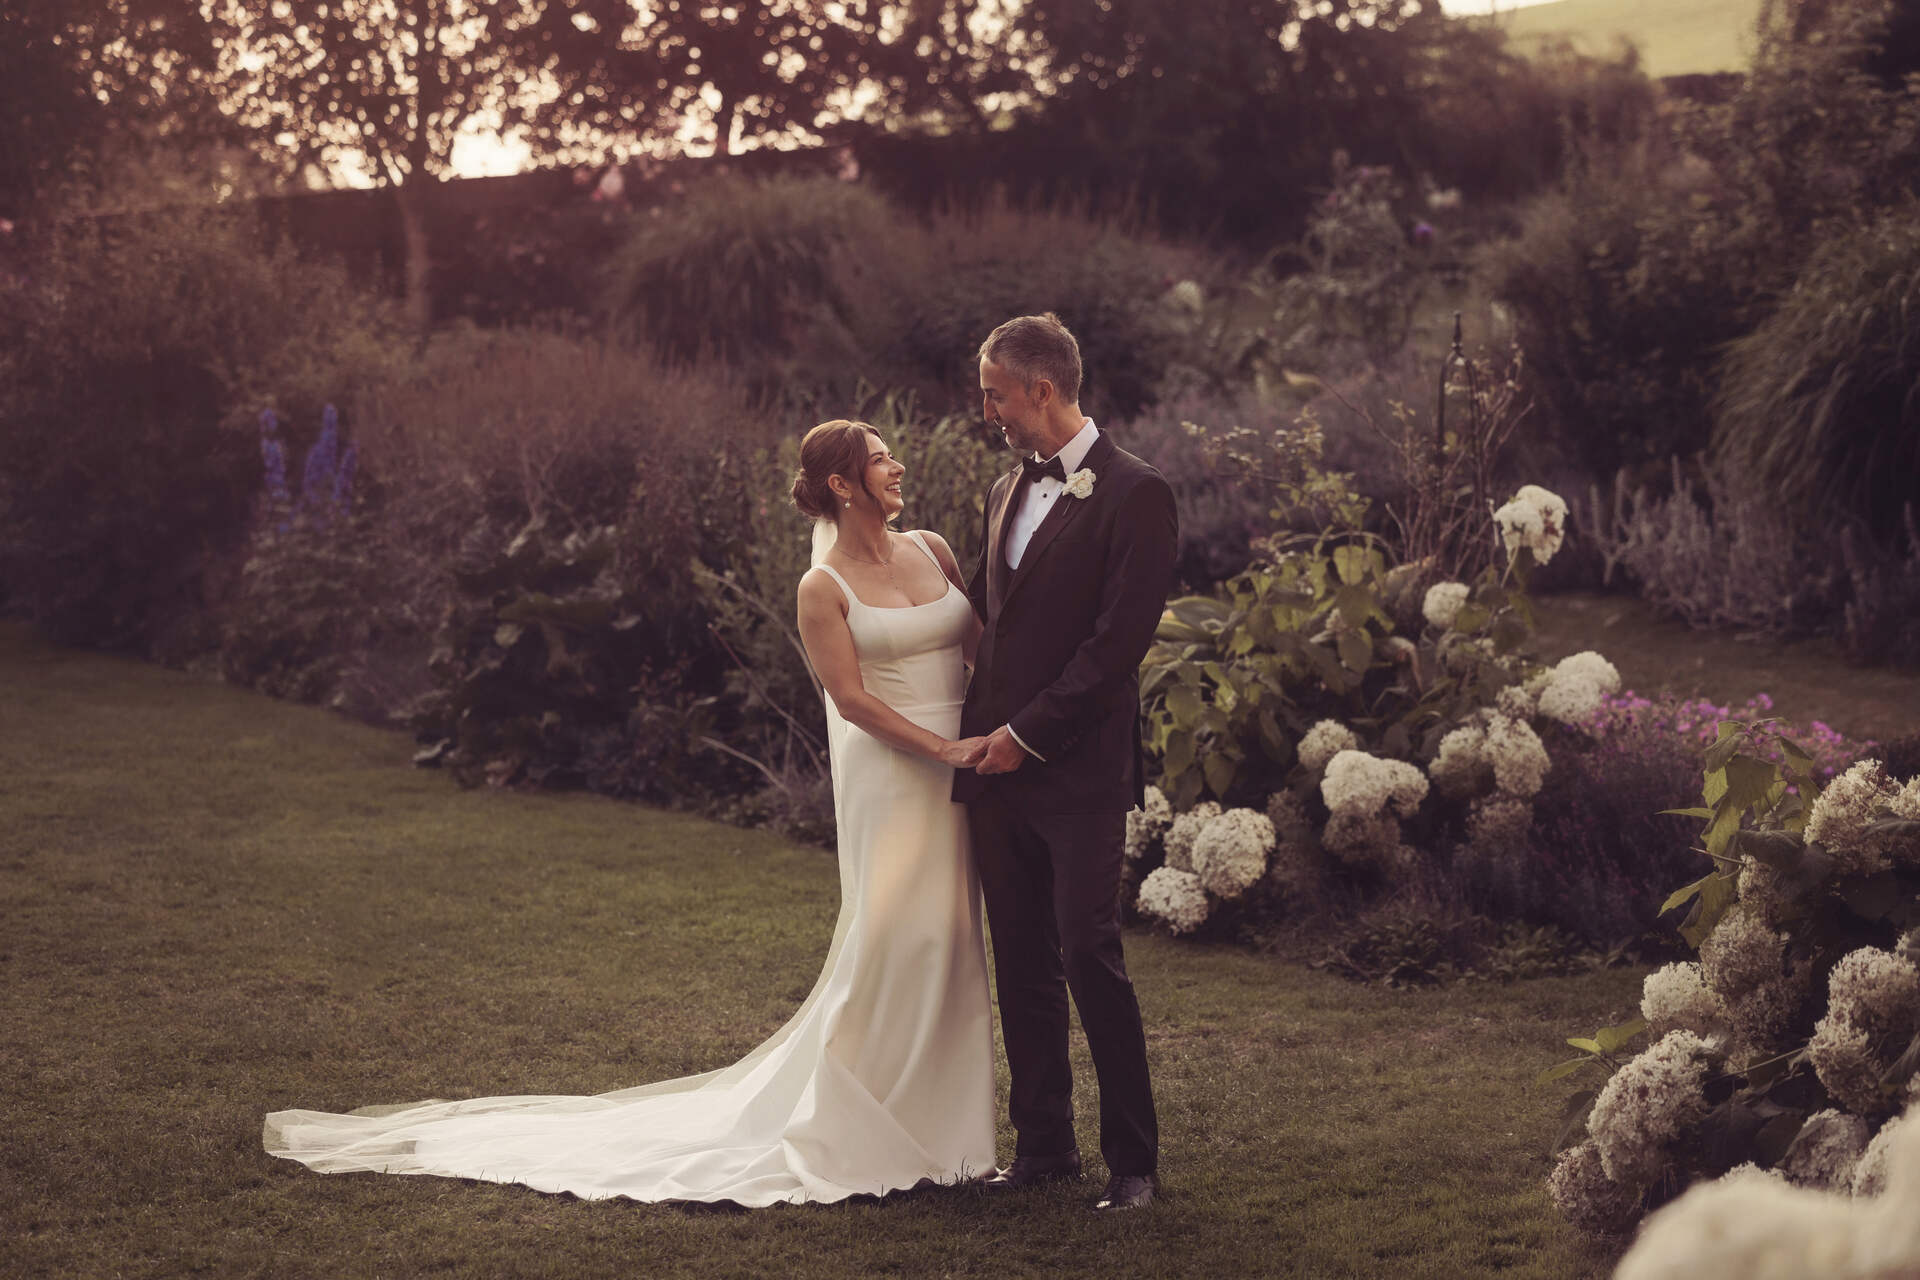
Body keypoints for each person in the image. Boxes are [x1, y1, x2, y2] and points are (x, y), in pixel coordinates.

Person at [262, 419, 999, 1206]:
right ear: (843, 485)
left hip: (971, 762)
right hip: (895, 776)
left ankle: (950, 1137)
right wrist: (944, 749)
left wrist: (999, 735)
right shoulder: (824, 588)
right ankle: (857, 1123)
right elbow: (850, 701)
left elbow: (982, 645)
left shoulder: (935, 549)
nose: (896, 465)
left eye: (891, 453)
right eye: (879, 458)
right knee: (895, 936)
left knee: (954, 934)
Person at [954, 313, 1180, 1213]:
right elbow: (987, 619)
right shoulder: (1004, 490)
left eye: (995, 395)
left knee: (1089, 952)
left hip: (1077, 770)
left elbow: (1114, 648)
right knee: (1020, 959)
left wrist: (1026, 734)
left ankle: (1135, 1162)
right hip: (995, 773)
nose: (988, 412)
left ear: (1040, 391)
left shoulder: (1137, 494)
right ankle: (1043, 1146)